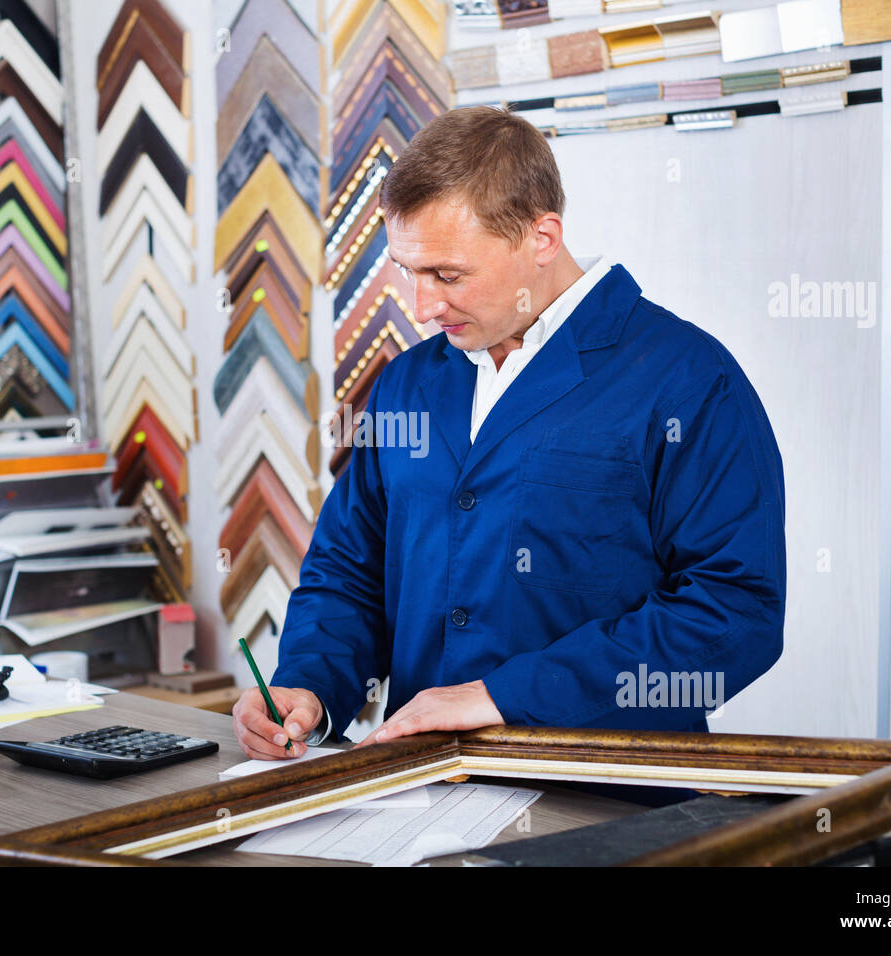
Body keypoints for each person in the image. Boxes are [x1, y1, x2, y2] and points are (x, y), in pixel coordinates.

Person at [232, 105, 787, 761]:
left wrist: (503, 696)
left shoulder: (688, 380)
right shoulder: (408, 384)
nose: (422, 306)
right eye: (408, 270)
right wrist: (311, 685)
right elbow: (350, 571)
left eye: (448, 274)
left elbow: (734, 616)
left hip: (611, 801)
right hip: (421, 791)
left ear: (542, 238)